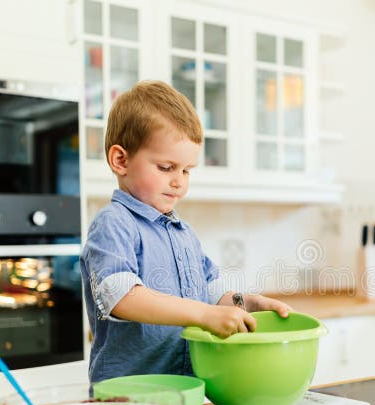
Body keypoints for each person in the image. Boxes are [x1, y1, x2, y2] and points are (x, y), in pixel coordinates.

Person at [81, 81, 291, 382]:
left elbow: (211, 292)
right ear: (121, 160)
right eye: (166, 167)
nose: (179, 181)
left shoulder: (183, 233)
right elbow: (123, 298)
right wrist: (204, 315)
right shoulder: (114, 223)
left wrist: (247, 303)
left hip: (185, 391)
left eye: (186, 170)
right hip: (127, 399)